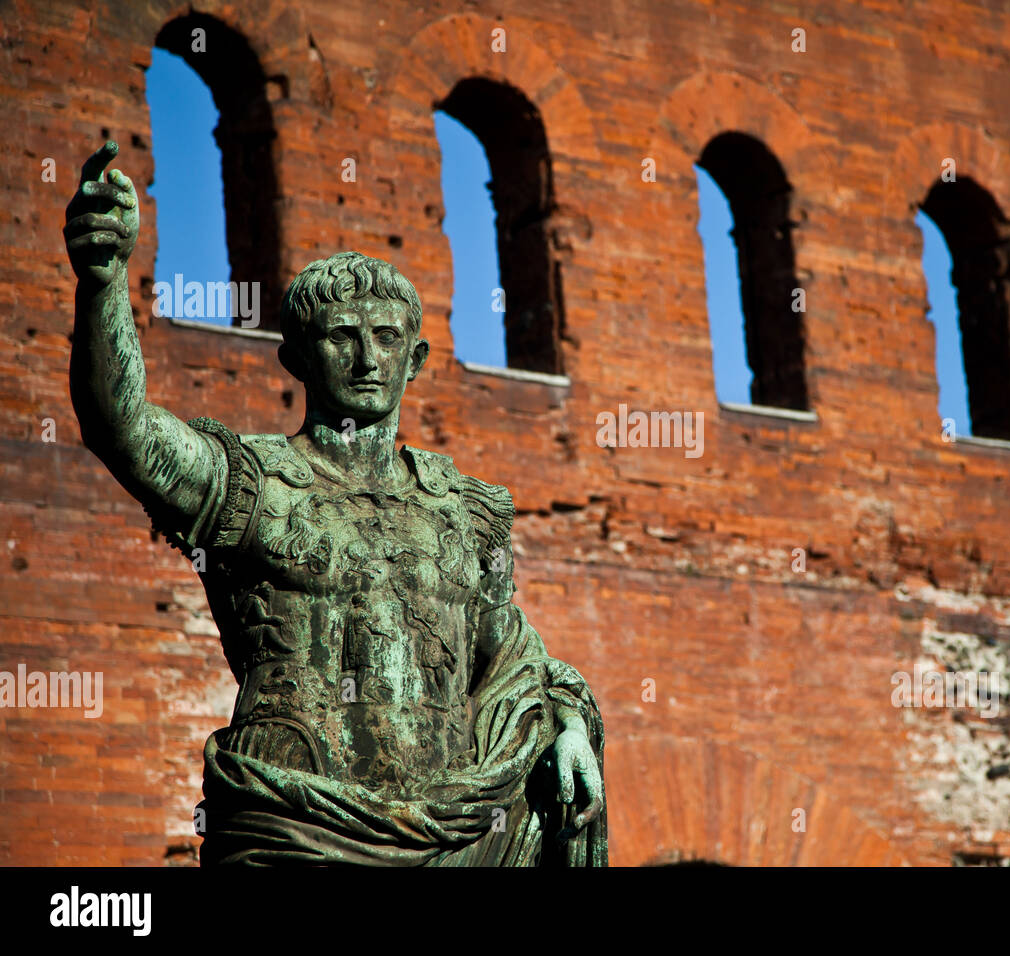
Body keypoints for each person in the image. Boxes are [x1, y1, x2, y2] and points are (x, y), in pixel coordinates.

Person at [64, 141, 607, 865]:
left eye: (387, 340)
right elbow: (123, 431)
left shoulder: (462, 510)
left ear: (414, 359)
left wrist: (571, 726)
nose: (367, 360)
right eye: (341, 338)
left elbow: (514, 658)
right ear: (296, 355)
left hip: (457, 833)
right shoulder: (253, 482)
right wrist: (103, 281)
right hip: (290, 826)